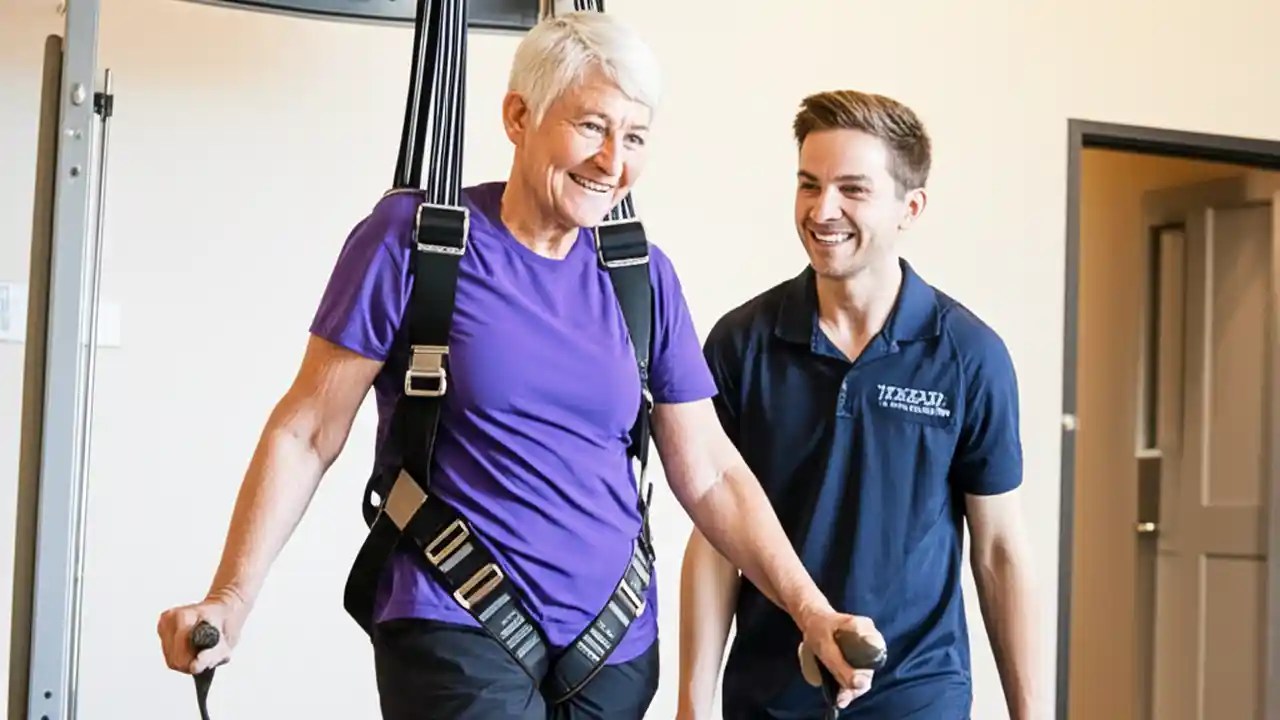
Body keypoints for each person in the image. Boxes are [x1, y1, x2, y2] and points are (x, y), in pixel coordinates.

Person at [155, 13, 882, 720]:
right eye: (592, 126)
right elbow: (307, 431)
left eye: (634, 137)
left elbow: (711, 471)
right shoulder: (414, 245)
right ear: (517, 117)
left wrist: (810, 612)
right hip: (454, 622)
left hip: (615, 646)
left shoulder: (641, 275)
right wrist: (232, 597)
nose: (613, 161)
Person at [676, 89, 1042, 720]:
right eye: (809, 185)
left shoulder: (969, 356)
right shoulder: (742, 343)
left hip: (916, 694)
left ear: (911, 207)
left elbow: (1000, 550)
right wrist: (691, 704)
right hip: (768, 698)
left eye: (853, 189)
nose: (824, 210)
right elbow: (714, 540)